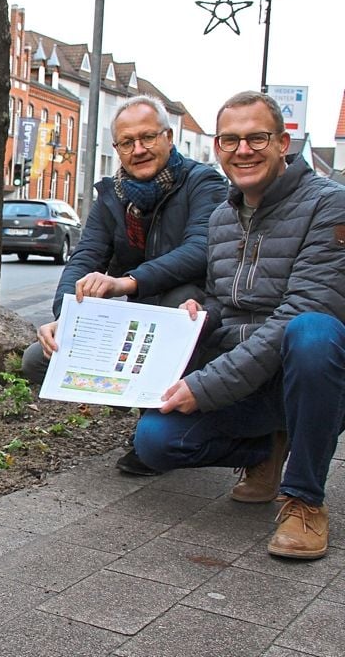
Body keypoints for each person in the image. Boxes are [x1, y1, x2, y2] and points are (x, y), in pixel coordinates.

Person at [133, 91, 345, 560]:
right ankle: (264, 448)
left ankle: (305, 500)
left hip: (307, 375)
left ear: (283, 142)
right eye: (230, 141)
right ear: (218, 146)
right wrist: (196, 312)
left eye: (256, 138)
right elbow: (225, 299)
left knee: (313, 332)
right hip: (246, 381)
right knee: (153, 443)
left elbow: (303, 307)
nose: (242, 151)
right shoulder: (222, 217)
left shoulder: (331, 205)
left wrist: (205, 387)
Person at [22, 95, 227, 474]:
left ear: (168, 136)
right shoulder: (112, 195)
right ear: (116, 148)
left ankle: (156, 424)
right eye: (127, 142)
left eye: (148, 138)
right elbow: (85, 256)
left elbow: (201, 250)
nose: (139, 149)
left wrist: (125, 283)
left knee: (179, 301)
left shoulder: (203, 182)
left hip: (192, 310)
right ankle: (142, 406)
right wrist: (65, 315)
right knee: (39, 359)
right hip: (137, 312)